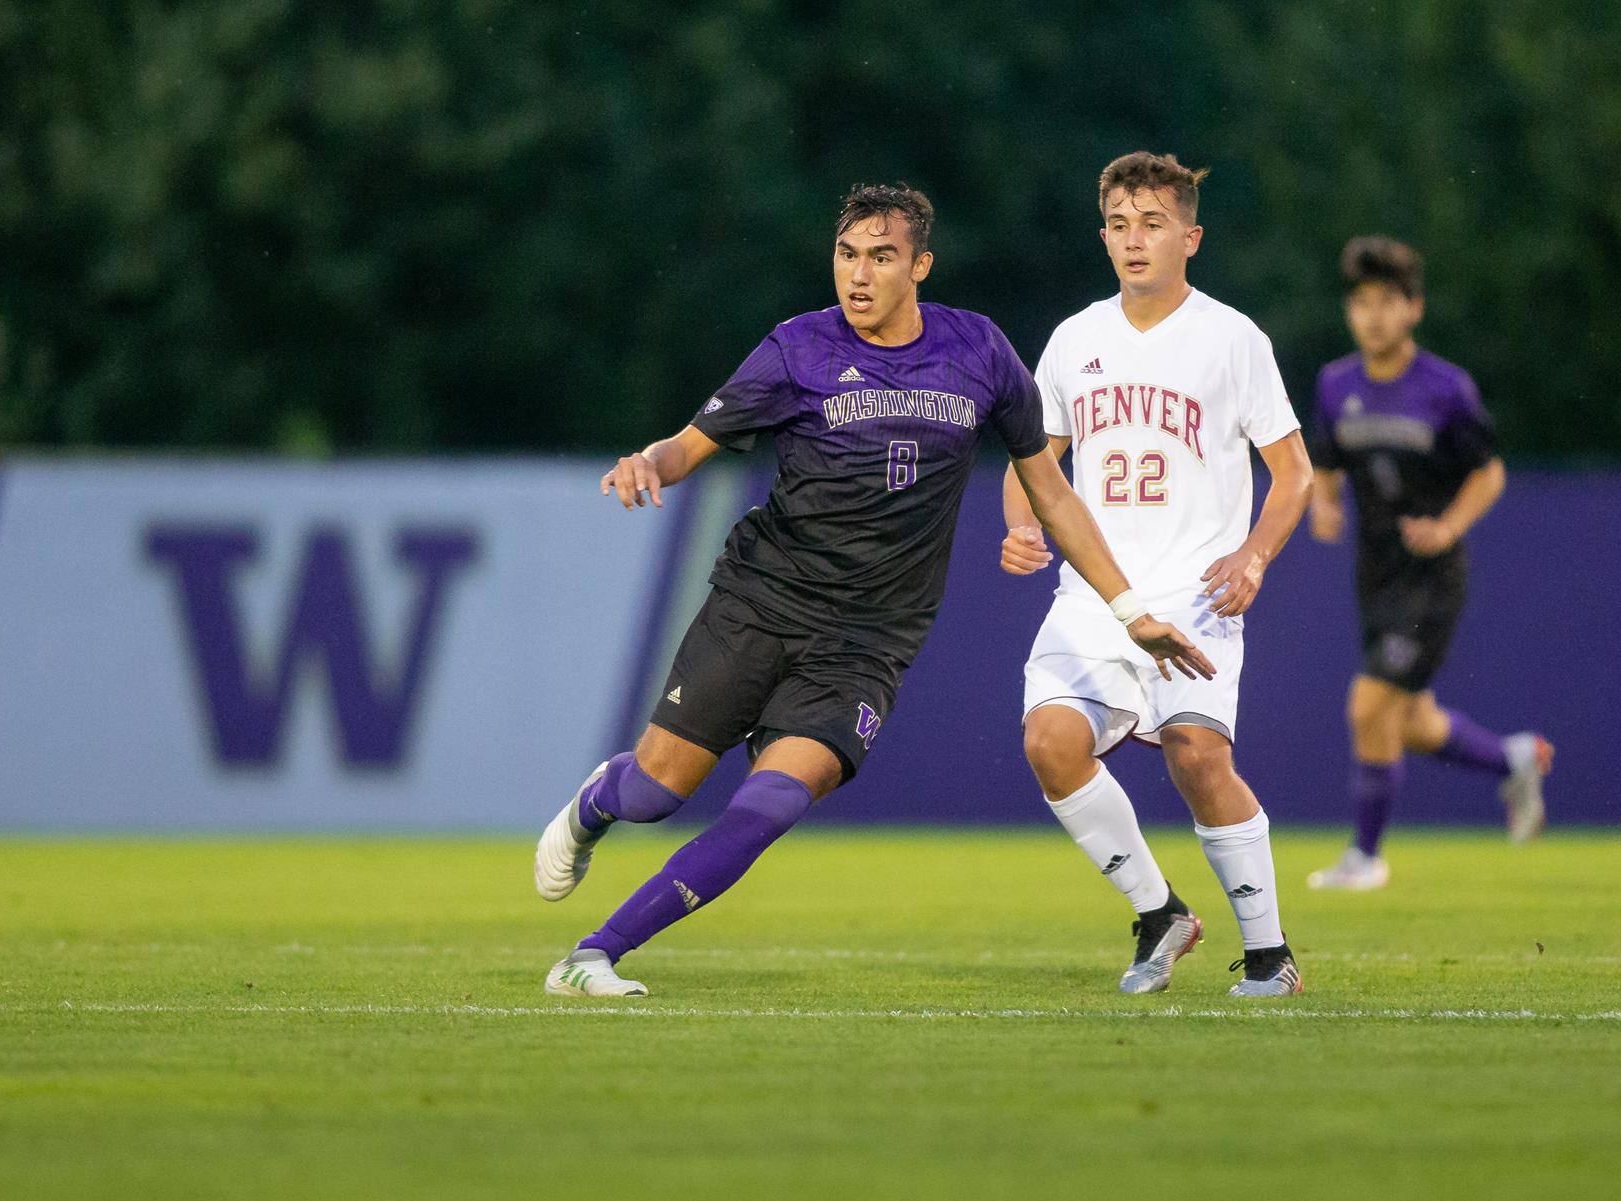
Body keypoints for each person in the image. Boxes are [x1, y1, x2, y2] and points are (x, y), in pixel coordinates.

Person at [535, 183, 1214, 998]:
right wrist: (648, 461)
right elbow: (687, 447)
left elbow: (1055, 495)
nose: (858, 276)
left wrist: (1132, 612)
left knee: (773, 803)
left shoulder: (981, 352)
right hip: (760, 604)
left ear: (920, 265)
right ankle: (595, 806)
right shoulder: (798, 348)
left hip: (867, 643)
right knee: (653, 792)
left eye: (881, 257)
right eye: (847, 255)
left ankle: (592, 954)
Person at [1000, 151, 1314, 997]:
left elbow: (1295, 472)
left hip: (1197, 593)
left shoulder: (1232, 338)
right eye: (1118, 224)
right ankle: (1158, 912)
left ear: (1190, 236)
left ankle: (1268, 951)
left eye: (1152, 224)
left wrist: (1253, 555)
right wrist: (1019, 523)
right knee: (1049, 743)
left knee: (1196, 755)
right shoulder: (1075, 338)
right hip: (1099, 595)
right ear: (1102, 235)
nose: (1133, 240)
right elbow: (1034, 459)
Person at [1303, 236, 1553, 891]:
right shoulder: (1335, 384)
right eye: (1362, 303)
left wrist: (1447, 526)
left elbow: (1489, 472)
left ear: (1413, 308)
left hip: (1432, 577)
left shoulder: (1445, 389)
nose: (1374, 316)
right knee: (1409, 721)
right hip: (1376, 574)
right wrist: (1322, 505)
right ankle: (1512, 758)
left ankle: (1365, 855)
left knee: (1367, 706)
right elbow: (1324, 465)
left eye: (1388, 301)